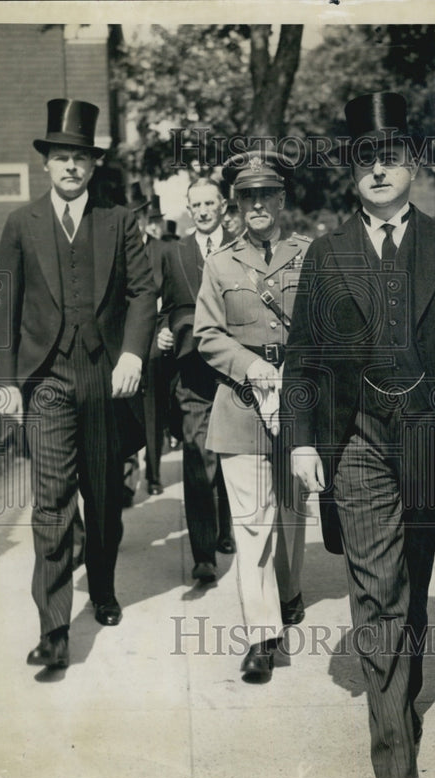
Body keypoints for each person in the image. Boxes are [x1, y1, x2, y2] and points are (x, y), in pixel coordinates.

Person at [283, 93, 435, 778]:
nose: (378, 169)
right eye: (364, 159)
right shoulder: (327, 255)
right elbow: (305, 357)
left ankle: (398, 705)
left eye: (390, 156)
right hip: (356, 444)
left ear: (410, 162)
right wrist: (299, 440)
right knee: (377, 595)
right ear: (351, 173)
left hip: (431, 444)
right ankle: (394, 763)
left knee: (409, 583)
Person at [0, 99, 157, 669]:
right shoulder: (22, 224)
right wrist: (8, 382)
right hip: (45, 380)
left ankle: (105, 586)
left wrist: (133, 353)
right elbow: (5, 306)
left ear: (92, 165)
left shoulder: (118, 222)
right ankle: (56, 627)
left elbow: (143, 292)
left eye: (80, 158)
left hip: (104, 376)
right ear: (46, 163)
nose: (70, 167)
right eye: (61, 157)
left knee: (104, 495)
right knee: (52, 501)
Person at [194, 151, 312, 681]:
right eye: (247, 196)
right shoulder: (220, 264)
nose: (257, 204)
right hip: (240, 409)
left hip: (300, 409)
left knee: (291, 518)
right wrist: (250, 368)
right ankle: (261, 637)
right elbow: (206, 334)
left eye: (267, 194)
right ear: (236, 205)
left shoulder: (310, 256)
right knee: (252, 527)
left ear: (282, 200)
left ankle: (289, 595)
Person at [159, 178, 236, 583]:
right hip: (191, 374)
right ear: (189, 209)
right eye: (197, 205)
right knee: (196, 458)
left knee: (230, 457)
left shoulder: (241, 246)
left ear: (223, 206)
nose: (204, 211)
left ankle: (227, 527)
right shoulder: (174, 253)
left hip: (236, 372)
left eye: (211, 203)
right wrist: (162, 332)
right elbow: (162, 304)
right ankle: (204, 553)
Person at [130, 184, 179, 495]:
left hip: (155, 338)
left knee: (152, 407)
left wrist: (166, 329)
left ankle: (154, 473)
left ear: (146, 217)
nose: (133, 224)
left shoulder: (163, 251)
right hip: (126, 337)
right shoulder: (117, 251)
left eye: (138, 217)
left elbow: (173, 298)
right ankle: (127, 472)